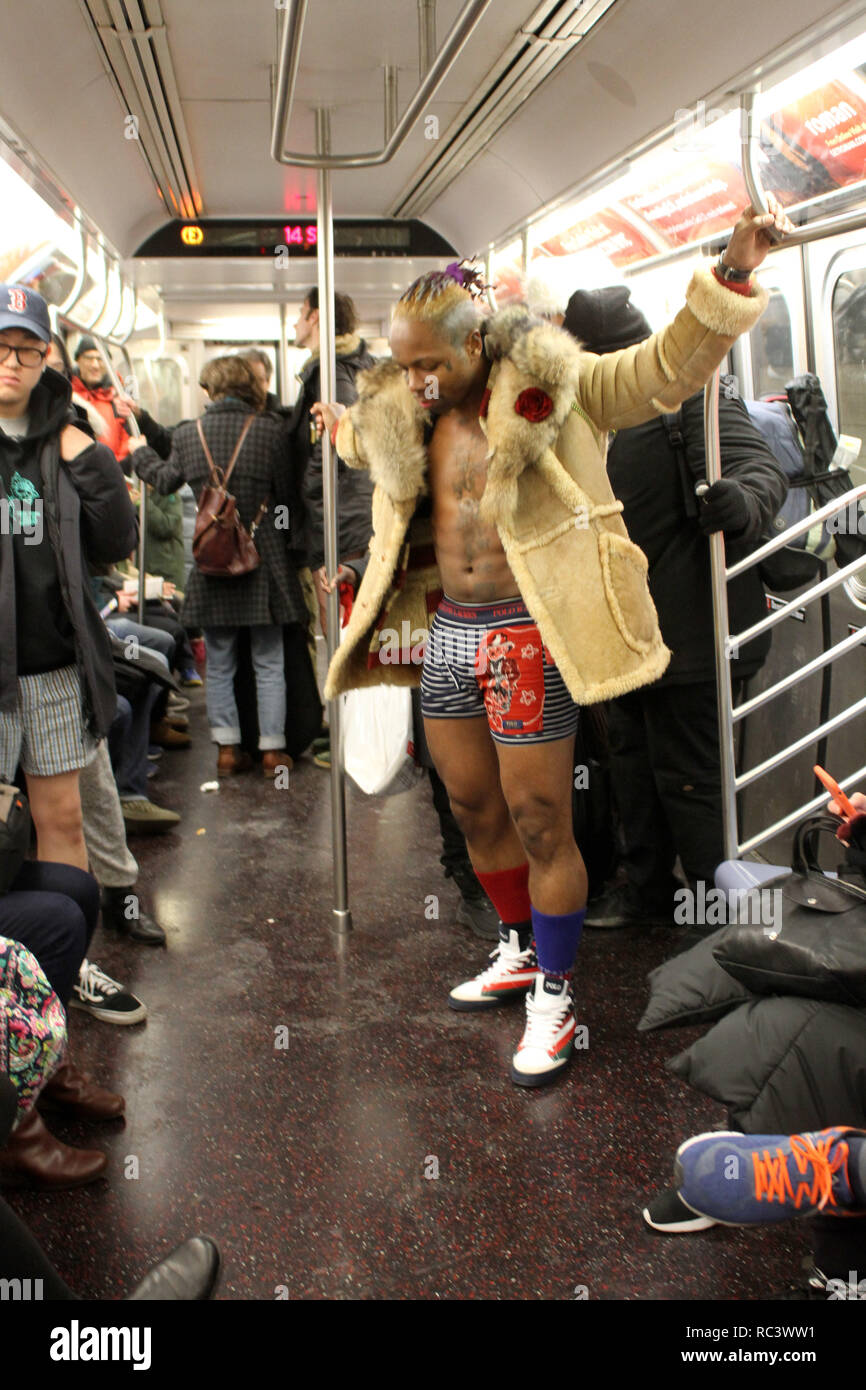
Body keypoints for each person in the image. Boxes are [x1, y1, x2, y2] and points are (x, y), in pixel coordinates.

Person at [314, 201, 793, 1088]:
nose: (417, 380)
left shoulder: (553, 387)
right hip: (451, 634)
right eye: (403, 364)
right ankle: (520, 949)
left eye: (433, 363)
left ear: (480, 343)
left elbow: (660, 371)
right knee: (471, 807)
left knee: (541, 818)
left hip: (527, 632)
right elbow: (365, 450)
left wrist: (728, 277)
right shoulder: (406, 411)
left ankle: (561, 997)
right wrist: (335, 426)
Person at [556, 286, 788, 930]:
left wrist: (740, 500)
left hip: (691, 623)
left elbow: (758, 467)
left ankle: (715, 917)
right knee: (631, 762)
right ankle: (648, 892)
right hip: (621, 630)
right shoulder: (578, 413)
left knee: (691, 777)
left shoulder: (692, 393)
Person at [0, 285, 138, 871]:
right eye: (1, 346)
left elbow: (114, 542)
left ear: (45, 357)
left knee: (62, 820)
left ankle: (64, 957)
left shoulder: (70, 440)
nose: (12, 362)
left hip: (53, 663)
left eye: (27, 349)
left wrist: (89, 456)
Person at [129, 355, 307, 777]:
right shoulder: (272, 432)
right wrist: (280, 537)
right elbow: (285, 499)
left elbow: (167, 481)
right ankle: (271, 750)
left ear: (209, 389)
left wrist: (139, 455)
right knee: (269, 661)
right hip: (263, 559)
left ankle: (227, 749)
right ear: (252, 387)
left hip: (211, 558)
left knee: (221, 660)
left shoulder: (190, 434)